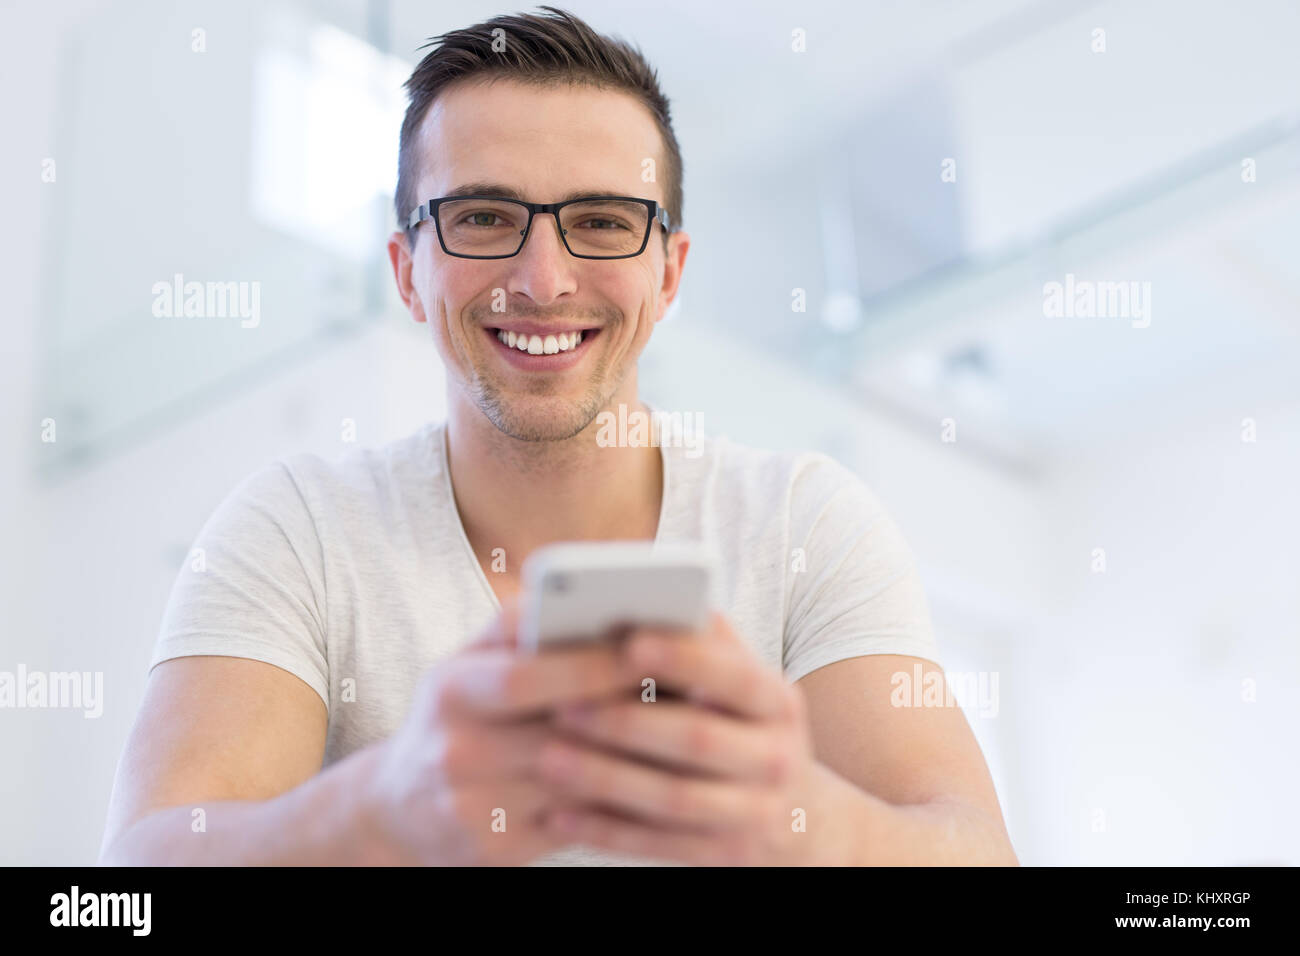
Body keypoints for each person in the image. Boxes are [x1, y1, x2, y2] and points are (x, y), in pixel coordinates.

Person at [99, 6, 1016, 866]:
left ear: (668, 274)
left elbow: (977, 851)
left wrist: (799, 817)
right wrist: (385, 805)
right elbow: (125, 886)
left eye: (603, 222)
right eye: (485, 218)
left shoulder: (803, 524)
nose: (542, 279)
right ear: (407, 273)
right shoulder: (299, 529)